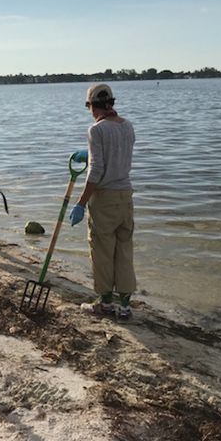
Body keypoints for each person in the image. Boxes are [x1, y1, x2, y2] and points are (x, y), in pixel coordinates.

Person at [69, 84, 137, 320]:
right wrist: (89, 153)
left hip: (105, 198)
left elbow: (96, 171)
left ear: (92, 106)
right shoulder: (127, 126)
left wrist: (80, 203)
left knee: (102, 252)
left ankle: (106, 303)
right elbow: (119, 155)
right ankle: (126, 307)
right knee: (124, 250)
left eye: (88, 107)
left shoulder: (95, 130)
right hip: (126, 196)